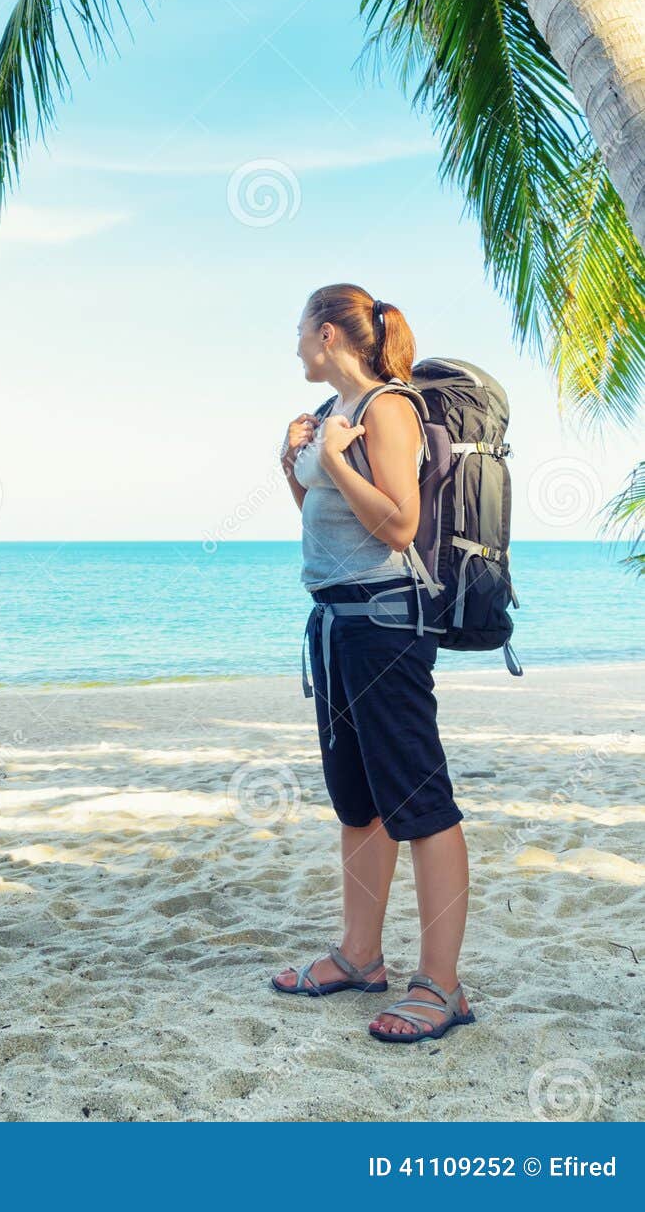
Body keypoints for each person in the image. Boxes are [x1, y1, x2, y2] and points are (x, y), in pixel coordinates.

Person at [270, 283, 475, 1044]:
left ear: (328, 335)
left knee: (420, 805)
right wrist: (293, 464)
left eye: (299, 333)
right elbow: (328, 521)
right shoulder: (330, 417)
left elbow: (398, 525)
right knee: (359, 802)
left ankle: (442, 987)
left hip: (387, 626)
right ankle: (360, 957)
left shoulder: (387, 408)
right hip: (337, 623)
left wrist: (334, 460)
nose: (294, 346)